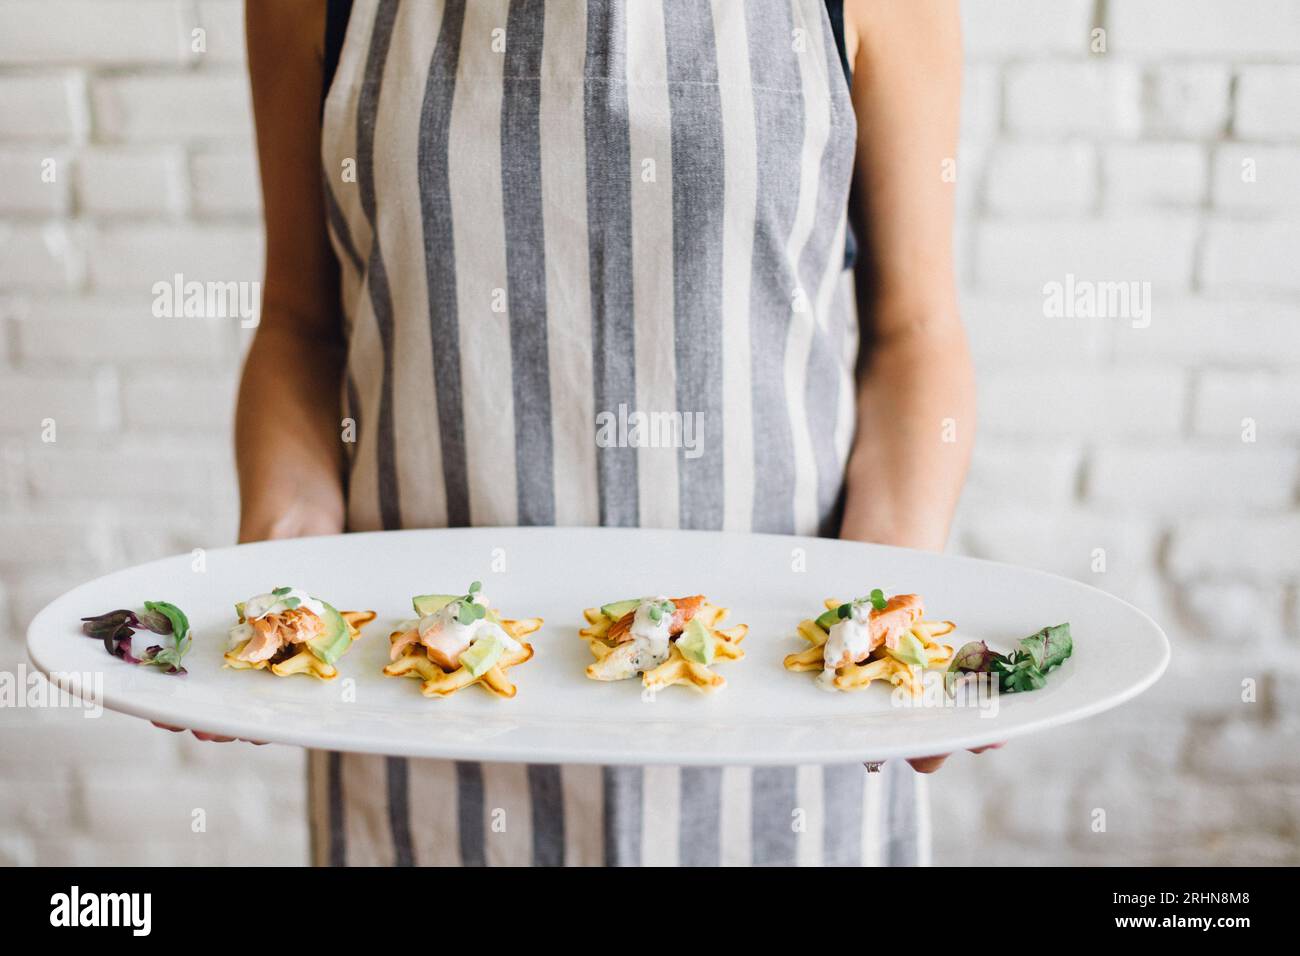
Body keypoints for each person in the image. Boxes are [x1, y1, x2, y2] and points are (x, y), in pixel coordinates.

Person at [182, 0, 987, 866]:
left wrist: (885, 605)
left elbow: (916, 330)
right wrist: (280, 569)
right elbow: (300, 326)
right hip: (420, 739)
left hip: (789, 733)